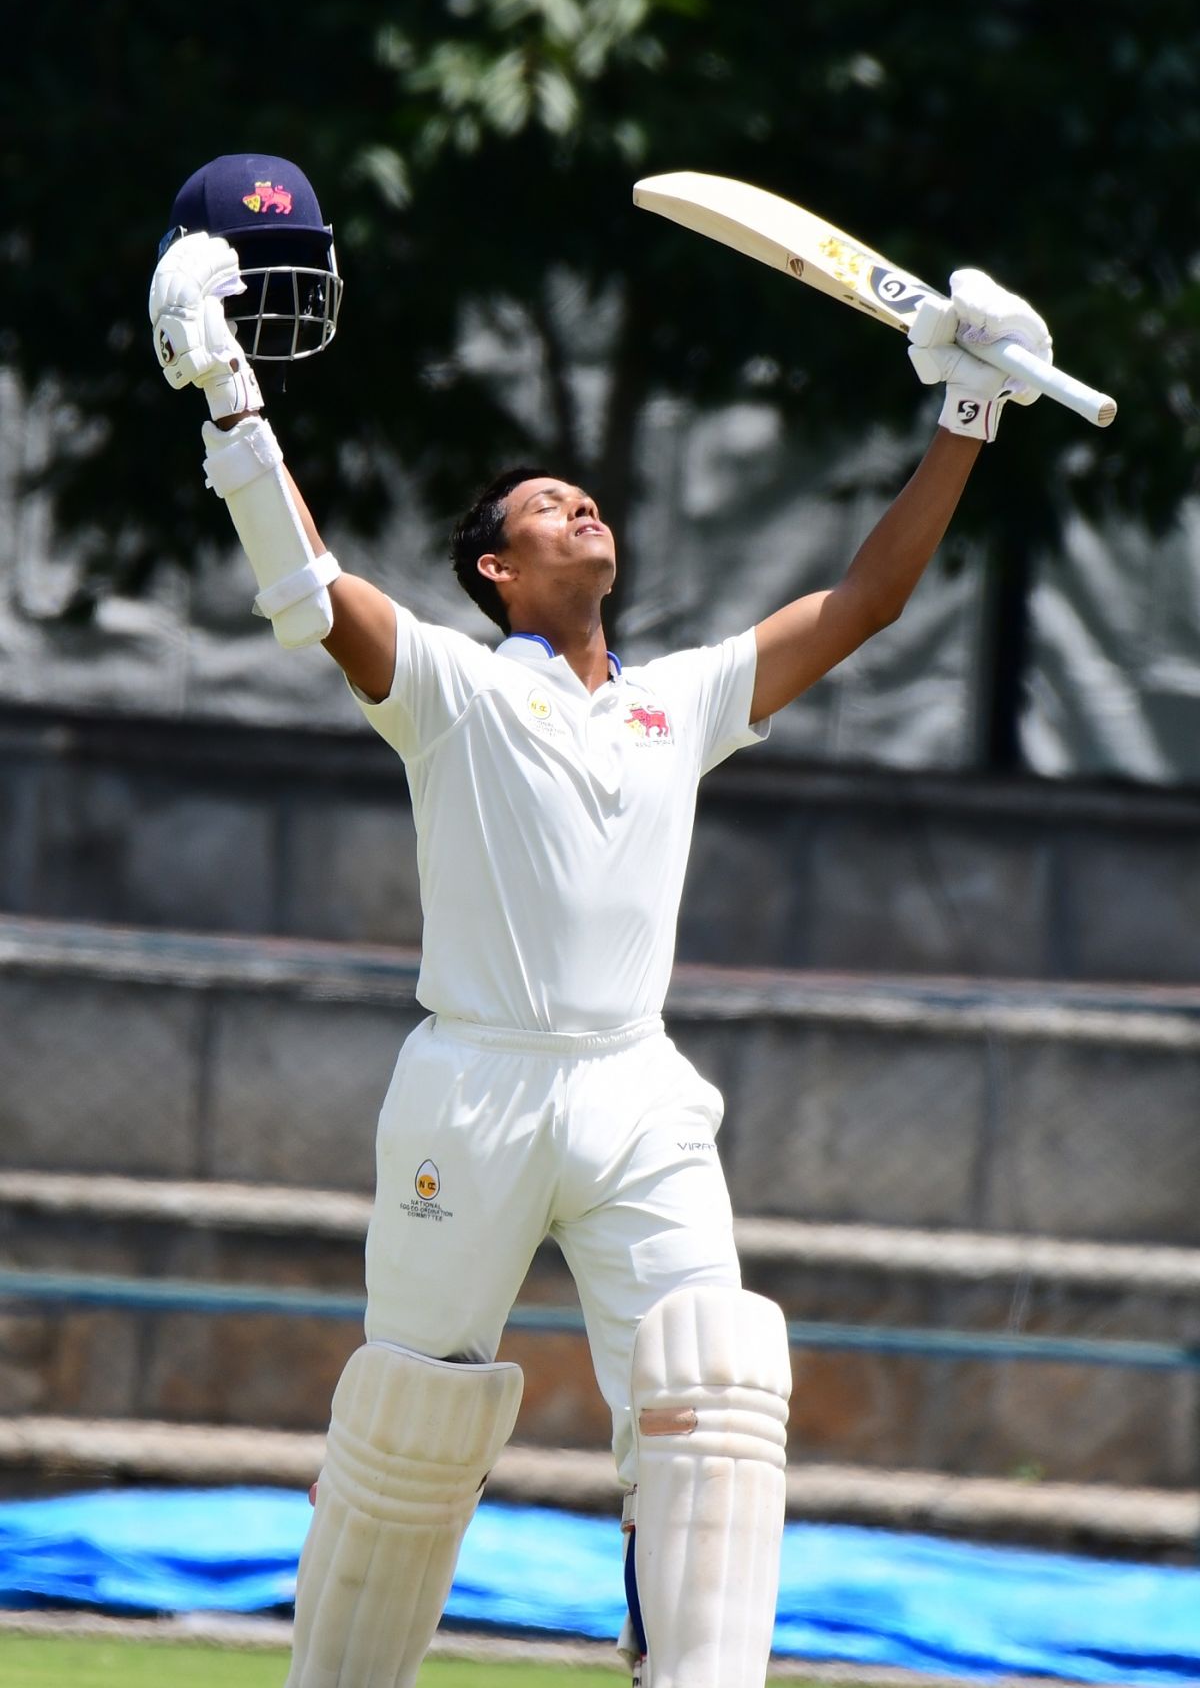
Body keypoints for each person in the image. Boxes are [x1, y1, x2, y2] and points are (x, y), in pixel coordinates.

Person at [148, 157, 1052, 1688]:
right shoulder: (449, 687)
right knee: (413, 1412)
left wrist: (970, 409)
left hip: (636, 1087)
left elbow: (865, 604)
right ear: (498, 570)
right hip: (477, 1085)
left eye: (586, 496)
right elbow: (307, 586)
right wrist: (228, 392)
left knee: (718, 1386)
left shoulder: (678, 700)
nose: (580, 503)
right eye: (542, 507)